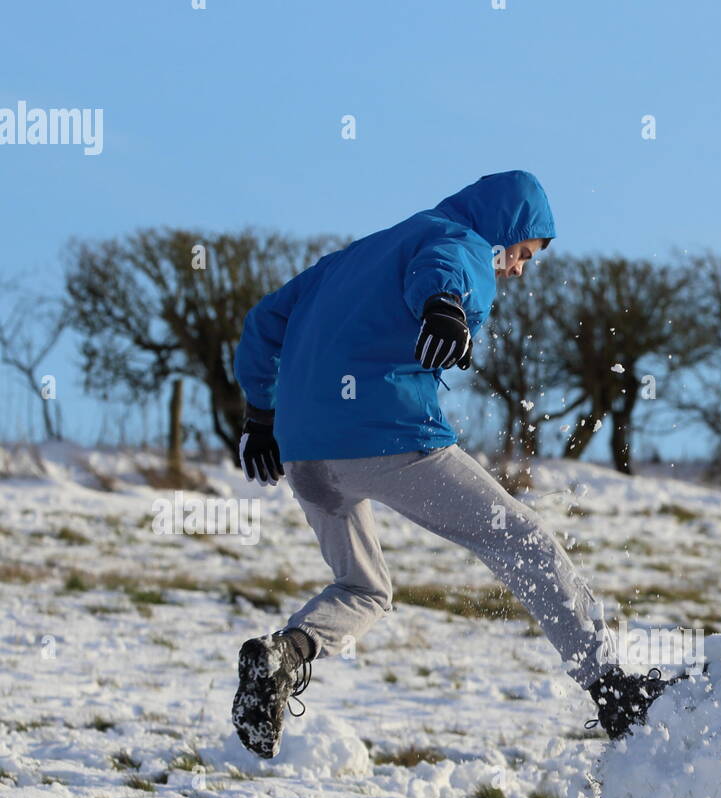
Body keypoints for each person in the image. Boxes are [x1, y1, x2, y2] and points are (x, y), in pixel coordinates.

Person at [230, 170, 665, 758]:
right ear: (508, 232)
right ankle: (613, 689)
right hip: (390, 437)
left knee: (364, 587)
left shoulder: (355, 256)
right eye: (525, 255)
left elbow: (262, 322)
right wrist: (444, 307)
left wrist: (261, 412)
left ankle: (283, 655)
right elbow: (445, 269)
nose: (517, 271)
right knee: (524, 540)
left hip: (305, 451)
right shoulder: (461, 240)